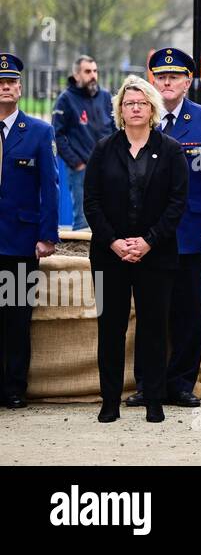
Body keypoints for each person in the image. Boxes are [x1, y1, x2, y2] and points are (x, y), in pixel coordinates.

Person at [123, 48, 201, 409]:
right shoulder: (140, 119)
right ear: (153, 80)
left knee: (187, 312)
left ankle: (182, 383)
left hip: (191, 233)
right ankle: (147, 384)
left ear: (187, 81)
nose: (167, 82)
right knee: (151, 313)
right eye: (161, 76)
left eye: (175, 76)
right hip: (149, 236)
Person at [85, 76, 187, 424]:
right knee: (110, 328)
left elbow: (177, 203)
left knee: (154, 328)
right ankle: (109, 400)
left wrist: (148, 241)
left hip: (155, 255)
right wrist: (114, 241)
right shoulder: (103, 149)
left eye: (142, 103)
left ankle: (154, 400)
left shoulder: (171, 150)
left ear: (153, 108)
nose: (135, 108)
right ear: (120, 110)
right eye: (129, 103)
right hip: (108, 255)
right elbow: (91, 203)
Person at [0, 53, 60, 409]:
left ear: (20, 89)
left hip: (21, 243)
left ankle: (13, 388)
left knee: (17, 318)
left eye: (10, 83)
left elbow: (49, 187)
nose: (5, 87)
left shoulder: (38, 132)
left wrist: (47, 235)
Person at [51, 55, 114, 231]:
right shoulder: (66, 99)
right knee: (84, 218)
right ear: (77, 75)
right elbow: (56, 134)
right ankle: (85, 258)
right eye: (88, 71)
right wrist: (76, 163)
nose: (93, 75)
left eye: (95, 71)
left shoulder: (105, 96)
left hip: (107, 167)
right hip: (81, 170)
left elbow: (116, 129)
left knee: (110, 214)